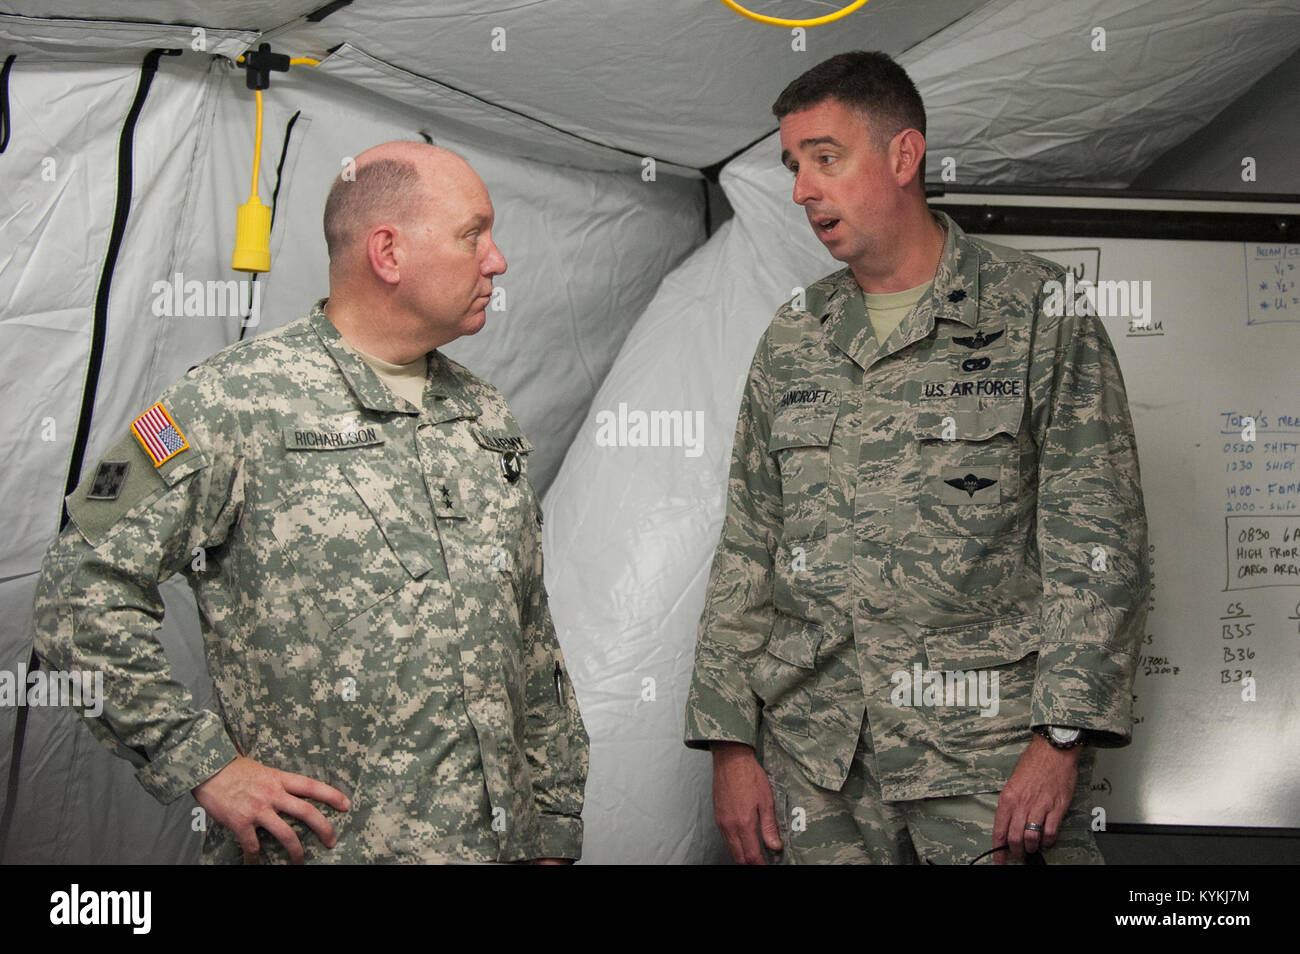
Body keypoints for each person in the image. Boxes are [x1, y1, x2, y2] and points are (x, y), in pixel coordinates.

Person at [33, 141, 589, 864]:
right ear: (388, 253)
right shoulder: (227, 401)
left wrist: (551, 824)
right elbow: (76, 589)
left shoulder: (482, 414)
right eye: (472, 234)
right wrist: (200, 761)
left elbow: (530, 632)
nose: (497, 260)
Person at [684, 52, 1151, 865]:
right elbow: (747, 550)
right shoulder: (794, 337)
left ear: (903, 157)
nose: (802, 190)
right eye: (794, 166)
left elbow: (1098, 544)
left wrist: (1060, 739)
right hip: (818, 765)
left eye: (825, 159)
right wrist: (729, 747)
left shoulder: (1042, 311)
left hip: (987, 764)